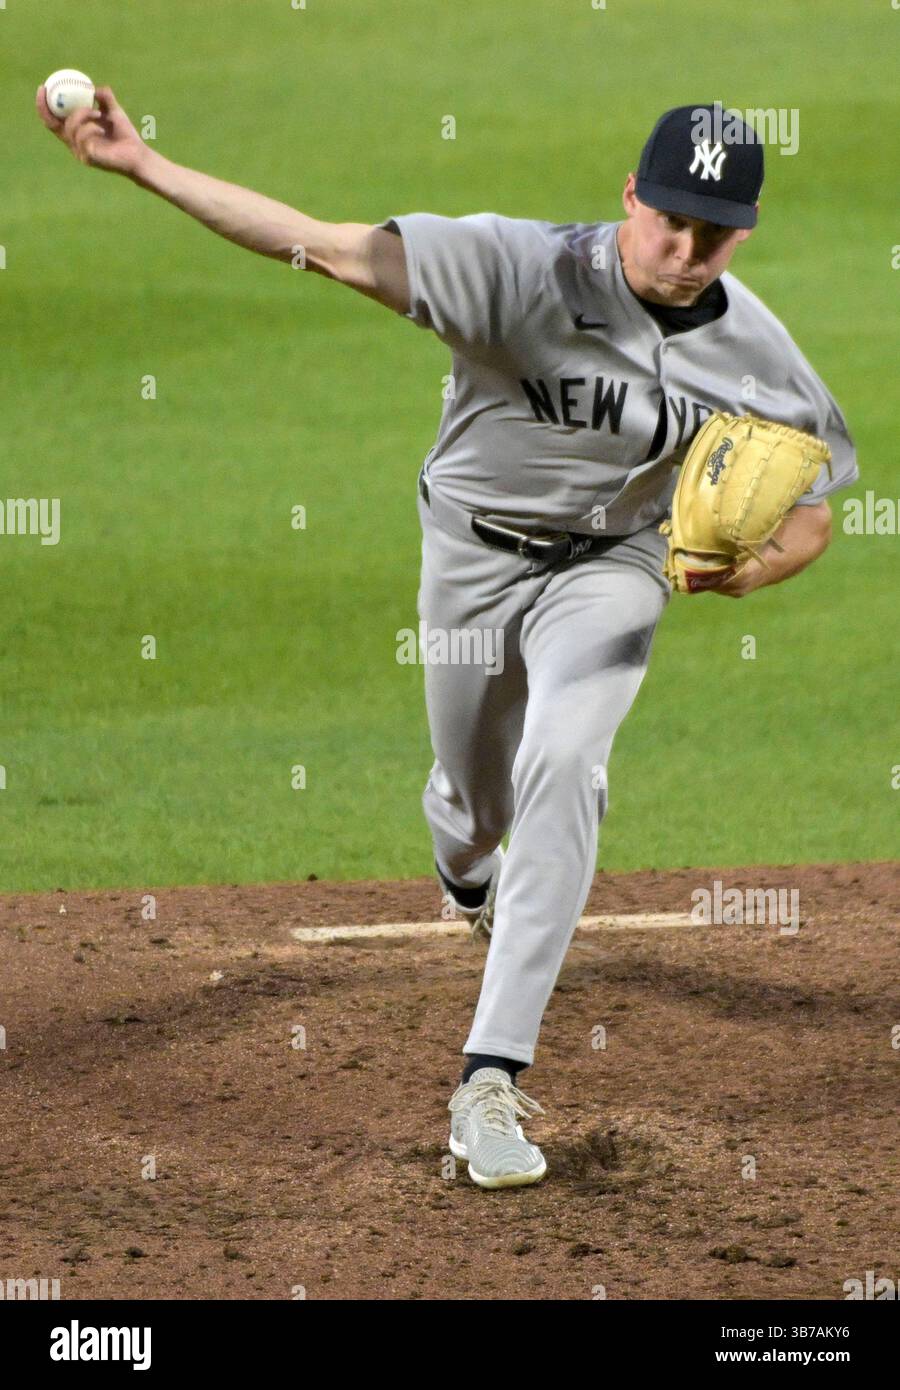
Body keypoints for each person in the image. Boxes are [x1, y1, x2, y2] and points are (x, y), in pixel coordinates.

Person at [38, 92, 858, 1189]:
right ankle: (466, 871)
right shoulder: (515, 270)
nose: (686, 248)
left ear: (745, 229)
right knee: (477, 807)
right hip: (470, 556)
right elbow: (320, 245)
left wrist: (751, 573)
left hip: (617, 568)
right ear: (631, 195)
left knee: (566, 762)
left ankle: (487, 1082)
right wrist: (144, 166)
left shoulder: (758, 350)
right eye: (669, 219)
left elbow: (814, 507)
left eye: (713, 230)